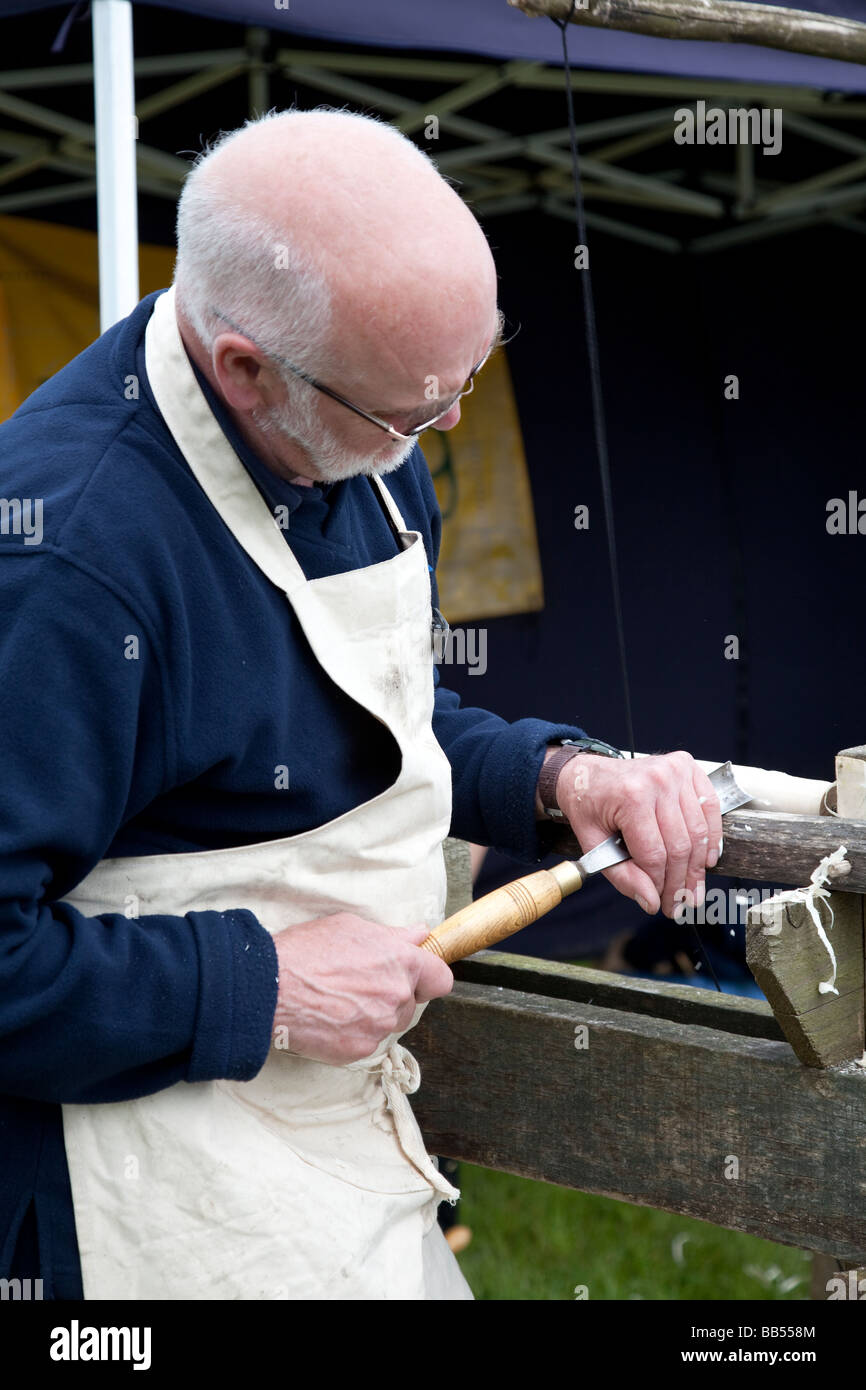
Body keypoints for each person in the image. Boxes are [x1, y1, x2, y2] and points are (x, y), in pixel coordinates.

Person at [0, 108, 722, 1300]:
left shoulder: (351, 440)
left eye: (471, 374)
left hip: (335, 1134)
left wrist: (559, 778)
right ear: (245, 368)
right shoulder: (65, 560)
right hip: (135, 1196)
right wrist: (266, 987)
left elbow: (374, 725)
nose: (443, 428)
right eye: (408, 409)